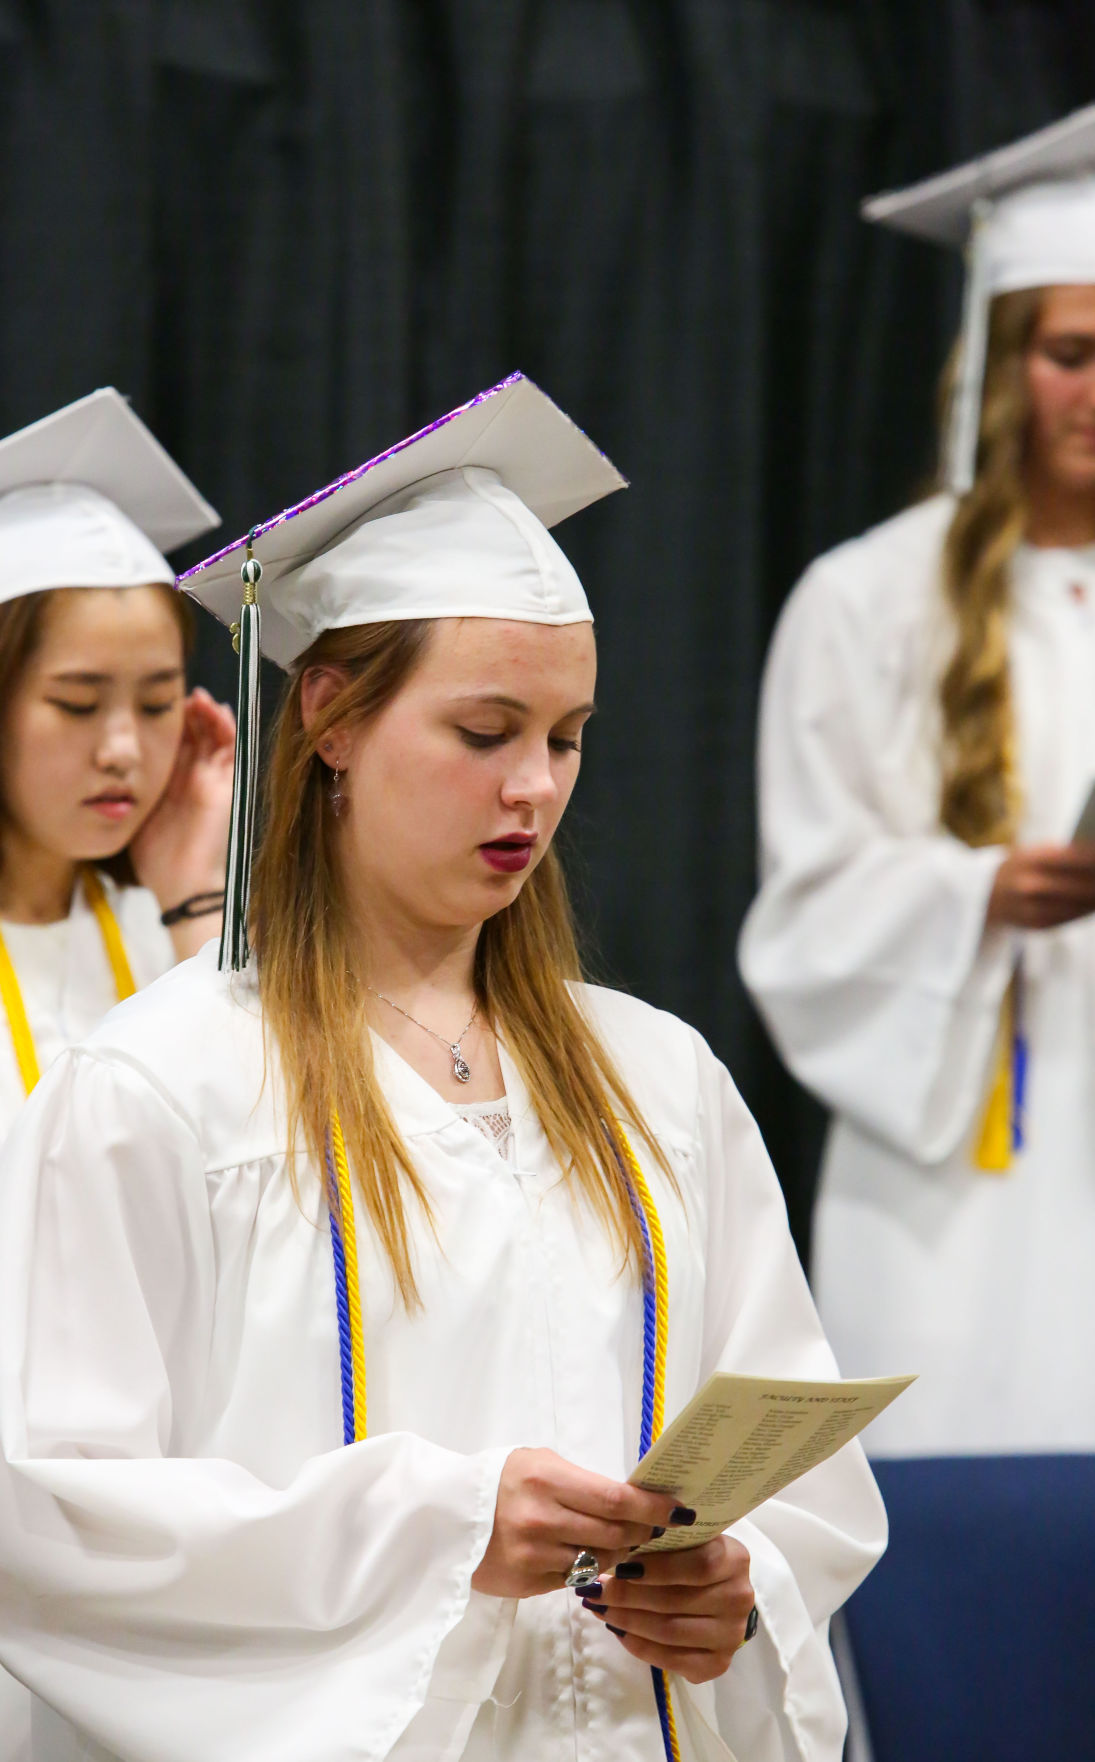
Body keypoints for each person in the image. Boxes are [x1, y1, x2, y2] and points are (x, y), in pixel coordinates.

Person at [0, 374, 885, 1762]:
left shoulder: (658, 1080)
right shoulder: (165, 1087)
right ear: (328, 717)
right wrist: (449, 1528)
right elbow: (59, 1521)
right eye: (485, 730)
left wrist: (738, 1599)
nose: (535, 791)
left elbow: (806, 1500)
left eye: (566, 738)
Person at [739, 108, 1095, 1761]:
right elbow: (799, 922)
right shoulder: (867, 602)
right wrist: (979, 895)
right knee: (969, 1659)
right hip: (960, 1197)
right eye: (1072, 352)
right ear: (1000, 360)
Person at [0, 389, 233, 1762]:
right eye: (79, 702)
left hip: (183, 1587)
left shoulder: (160, 930)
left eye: (160, 703)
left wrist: (195, 908)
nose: (126, 749)